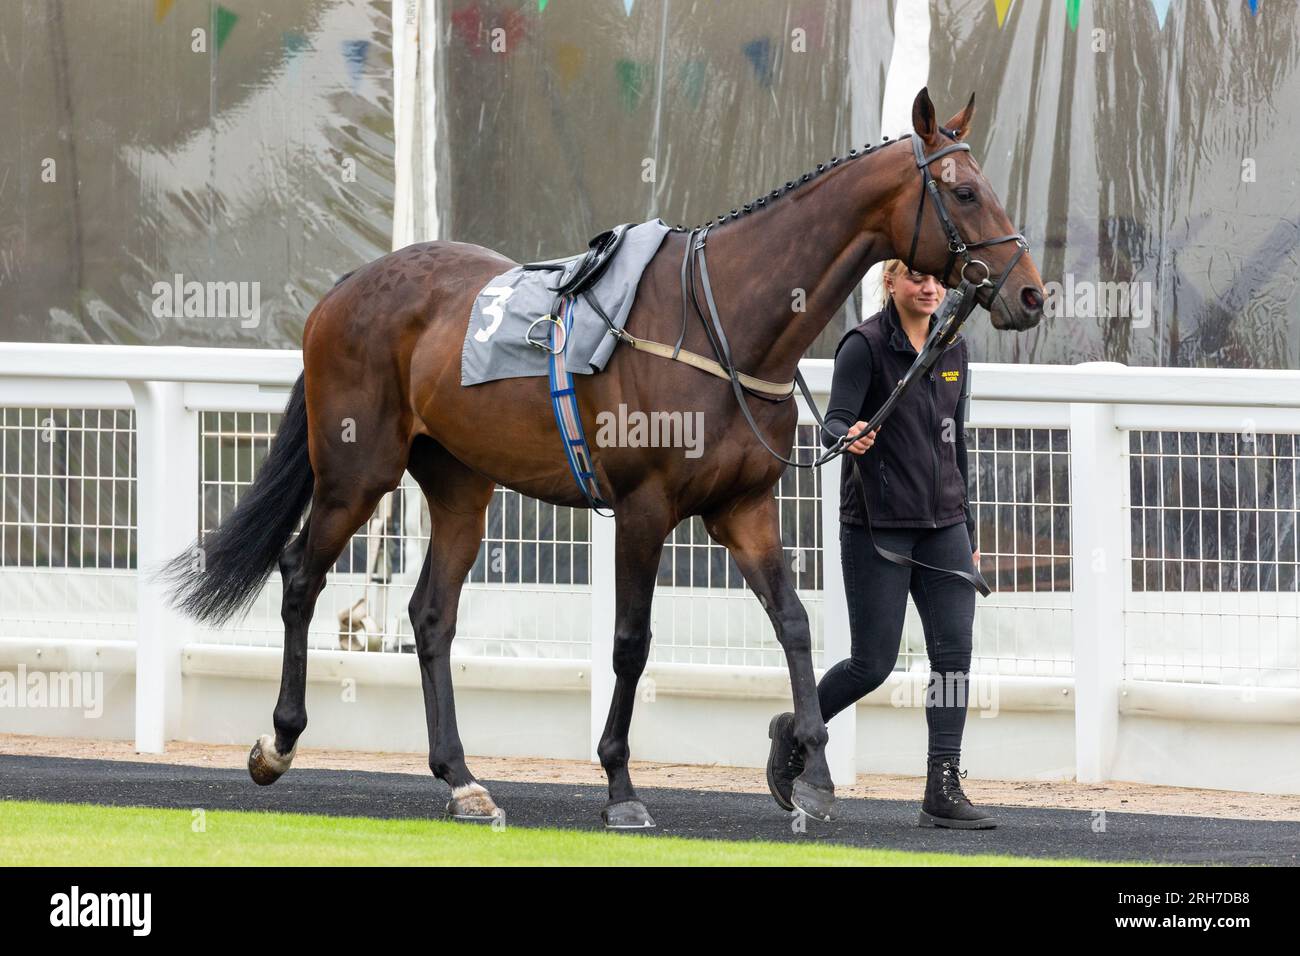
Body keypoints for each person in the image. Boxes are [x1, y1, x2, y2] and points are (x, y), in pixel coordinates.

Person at [766, 260, 995, 829]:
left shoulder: (954, 347)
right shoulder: (863, 346)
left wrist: (969, 532)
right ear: (890, 282)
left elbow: (956, 442)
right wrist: (849, 435)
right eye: (915, 277)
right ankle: (797, 731)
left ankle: (942, 786)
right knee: (873, 663)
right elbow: (833, 423)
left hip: (945, 526)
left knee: (953, 659)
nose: (928, 287)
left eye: (935, 280)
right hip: (877, 525)